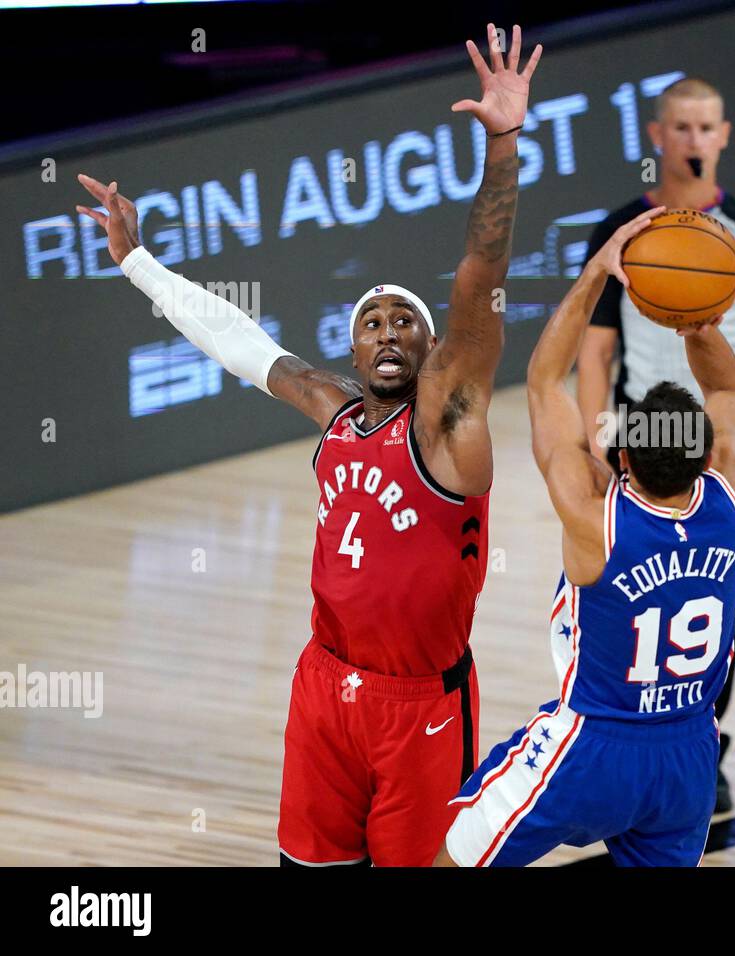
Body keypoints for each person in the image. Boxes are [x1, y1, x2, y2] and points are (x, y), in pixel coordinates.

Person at [75, 23, 541, 866]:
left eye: (407, 320)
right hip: (325, 687)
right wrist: (137, 260)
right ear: (354, 349)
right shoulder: (333, 413)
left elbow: (480, 278)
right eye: (372, 322)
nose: (390, 331)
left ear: (435, 352)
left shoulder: (444, 424)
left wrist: (502, 143)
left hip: (420, 708)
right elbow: (238, 338)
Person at [436, 206, 735, 867]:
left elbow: (544, 380)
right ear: (706, 457)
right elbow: (727, 390)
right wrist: (696, 321)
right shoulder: (731, 498)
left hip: (593, 747)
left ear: (624, 460)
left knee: (456, 859)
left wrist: (598, 272)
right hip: (689, 754)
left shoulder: (596, 516)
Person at [576, 77, 735, 812]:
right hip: (645, 430)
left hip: (731, 436)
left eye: (706, 128)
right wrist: (591, 439)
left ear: (723, 135)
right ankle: (627, 724)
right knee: (632, 586)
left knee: (723, 590)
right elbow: (596, 351)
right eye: (681, 128)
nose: (694, 141)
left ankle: (705, 734)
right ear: (656, 135)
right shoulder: (620, 231)